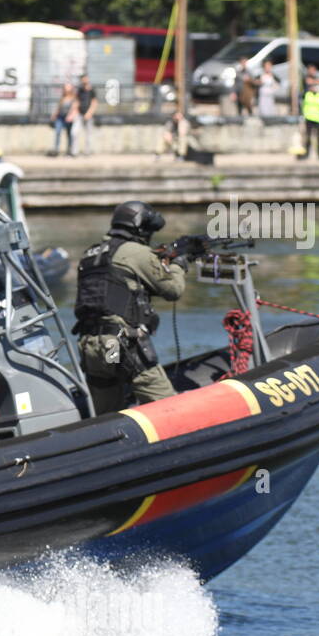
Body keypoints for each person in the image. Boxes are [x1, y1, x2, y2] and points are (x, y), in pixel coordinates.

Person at [73, 201, 186, 414]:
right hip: (119, 345)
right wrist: (178, 265)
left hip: (94, 347)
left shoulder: (91, 253)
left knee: (108, 414)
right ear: (140, 227)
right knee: (168, 407)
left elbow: (117, 289)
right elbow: (173, 290)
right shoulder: (136, 253)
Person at [51, 82, 79, 157]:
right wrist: (54, 114)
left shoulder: (73, 98)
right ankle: (56, 150)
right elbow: (59, 107)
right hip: (60, 117)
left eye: (68, 87)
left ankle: (69, 150)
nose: (66, 89)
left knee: (69, 134)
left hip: (68, 118)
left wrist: (70, 116)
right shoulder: (62, 98)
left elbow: (74, 107)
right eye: (65, 87)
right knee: (58, 131)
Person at [300, 80, 319, 161]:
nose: (314, 88)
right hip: (309, 118)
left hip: (318, 119)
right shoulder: (307, 94)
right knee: (308, 138)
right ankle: (307, 154)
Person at [73, 74, 97, 156]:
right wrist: (74, 112)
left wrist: (89, 113)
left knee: (88, 135)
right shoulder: (80, 90)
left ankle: (87, 152)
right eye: (83, 79)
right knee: (75, 132)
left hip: (88, 115)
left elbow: (94, 103)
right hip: (79, 114)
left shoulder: (92, 90)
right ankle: (74, 152)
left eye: (85, 79)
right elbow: (77, 101)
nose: (84, 81)